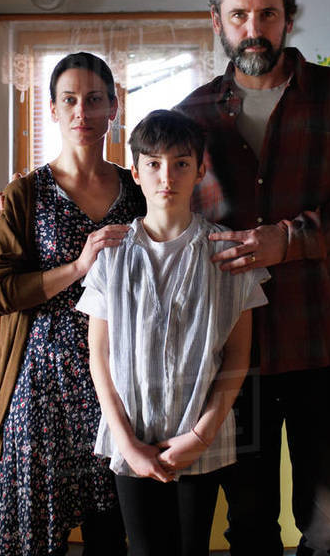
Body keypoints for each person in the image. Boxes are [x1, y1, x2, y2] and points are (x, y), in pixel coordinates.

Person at [175, 0, 330, 556]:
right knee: (249, 524)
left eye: (268, 14)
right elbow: (153, 207)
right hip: (233, 355)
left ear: (289, 19)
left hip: (324, 342)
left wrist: (293, 239)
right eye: (239, 15)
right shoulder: (192, 116)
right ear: (218, 21)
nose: (253, 29)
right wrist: (23, 197)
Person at [0, 52, 143, 556]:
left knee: (111, 533)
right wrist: (76, 267)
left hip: (116, 383)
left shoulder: (138, 192)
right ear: (52, 109)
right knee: (35, 537)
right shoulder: (25, 195)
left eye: (94, 99)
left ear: (113, 107)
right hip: (40, 387)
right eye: (69, 100)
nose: (81, 112)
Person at [77, 110, 268, 556]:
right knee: (144, 549)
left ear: (200, 170)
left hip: (199, 439)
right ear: (136, 172)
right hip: (131, 438)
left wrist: (199, 436)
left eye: (181, 163)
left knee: (190, 548)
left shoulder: (229, 253)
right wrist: (127, 444)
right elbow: (99, 357)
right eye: (154, 164)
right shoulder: (111, 254)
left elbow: (237, 357)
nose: (167, 177)